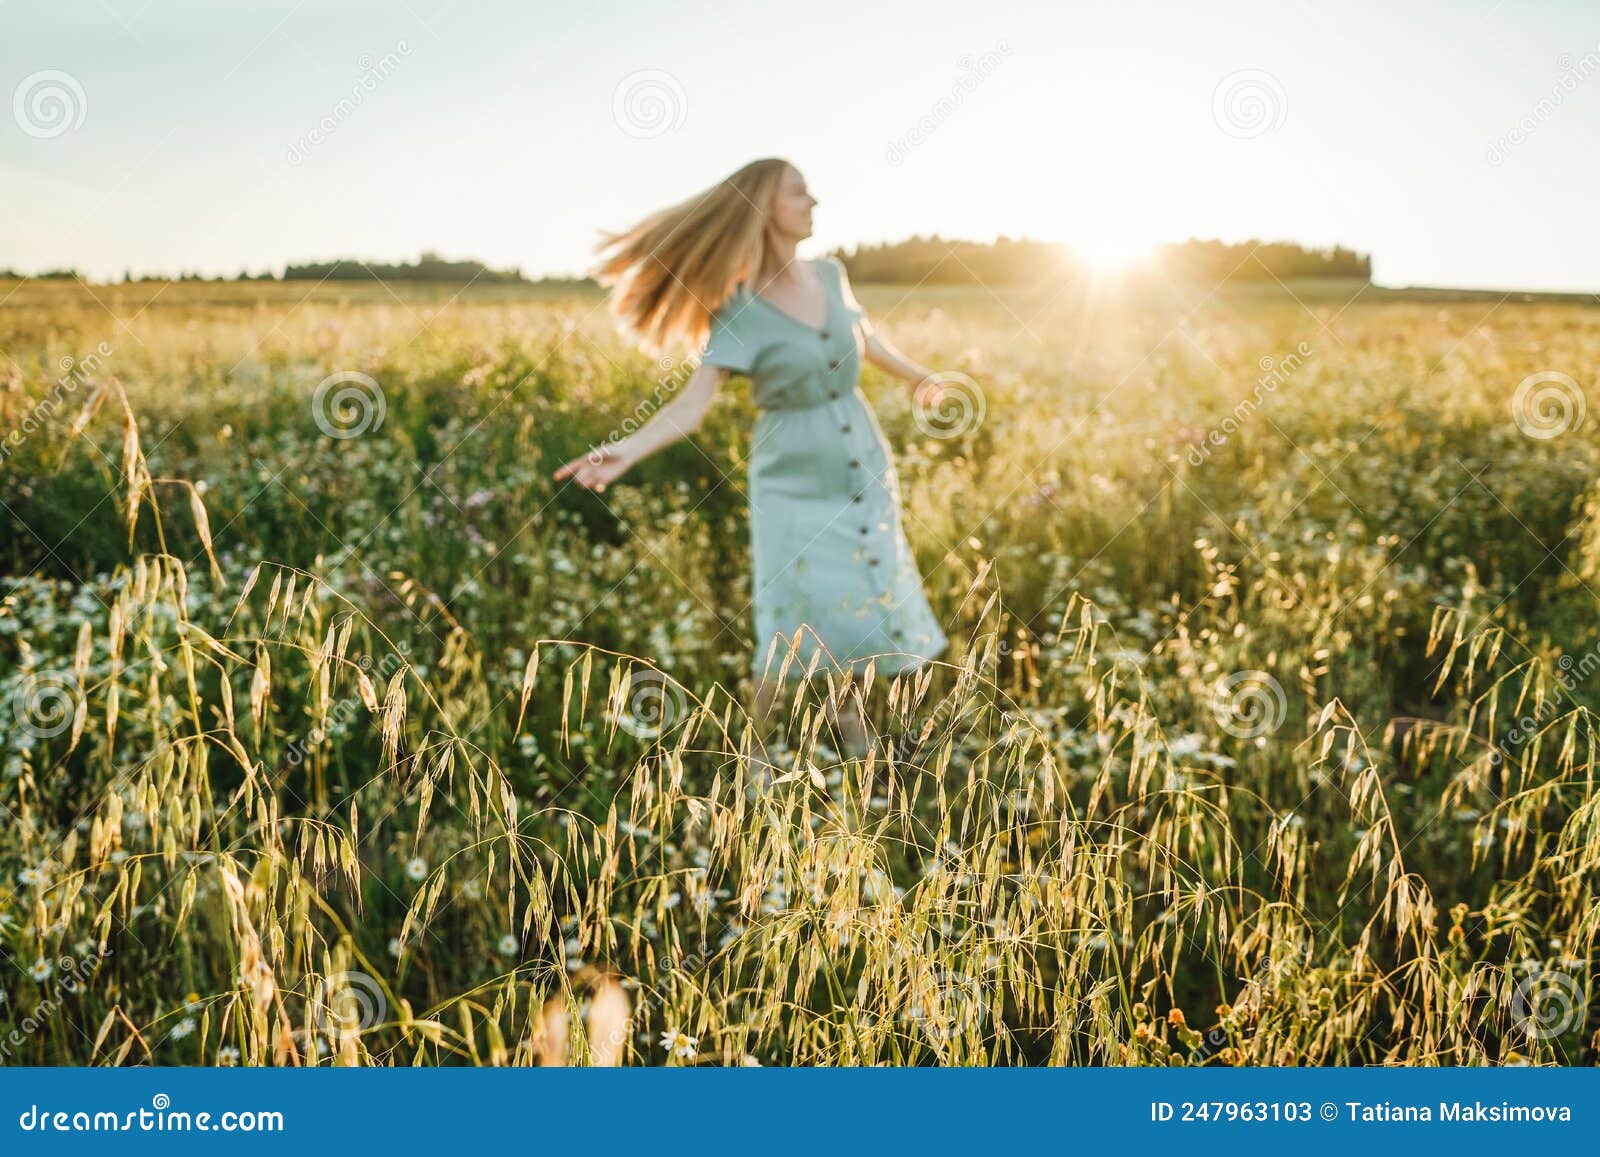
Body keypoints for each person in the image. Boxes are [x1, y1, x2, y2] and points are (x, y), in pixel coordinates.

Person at [555, 158, 950, 761]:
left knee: (864, 602)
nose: (814, 199)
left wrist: (918, 374)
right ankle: (757, 754)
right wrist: (627, 449)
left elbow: (864, 339)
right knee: (792, 620)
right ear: (765, 207)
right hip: (791, 482)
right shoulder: (739, 306)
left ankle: (857, 739)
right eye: (799, 192)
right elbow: (692, 407)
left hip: (860, 460)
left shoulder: (831, 273)